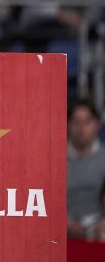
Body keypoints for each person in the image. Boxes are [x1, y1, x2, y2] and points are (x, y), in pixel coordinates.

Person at [67, 99, 105, 238]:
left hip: (99, 229)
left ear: (97, 125)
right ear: (68, 124)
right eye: (76, 122)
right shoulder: (55, 160)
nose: (81, 128)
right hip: (63, 229)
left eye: (87, 122)